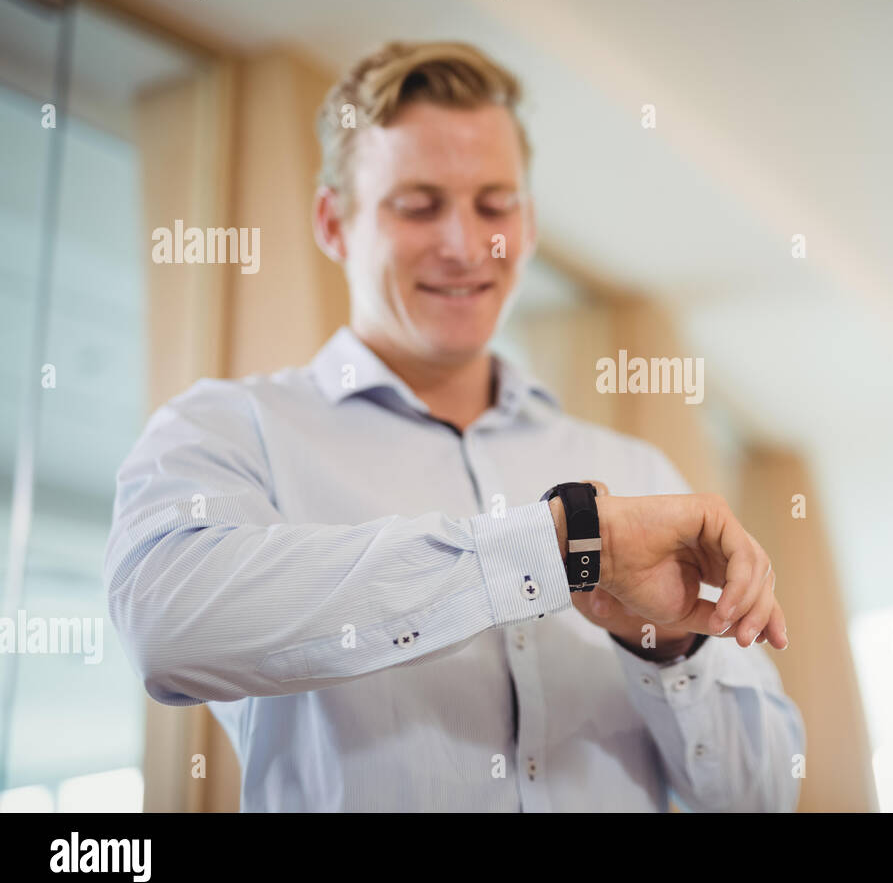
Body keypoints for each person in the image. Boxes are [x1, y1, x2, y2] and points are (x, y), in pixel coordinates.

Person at [104, 40, 804, 812]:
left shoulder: (639, 472)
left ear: (529, 225)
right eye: (419, 205)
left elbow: (761, 798)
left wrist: (670, 646)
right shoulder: (229, 429)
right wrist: (556, 545)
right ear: (334, 223)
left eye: (495, 205)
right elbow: (167, 627)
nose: (467, 245)